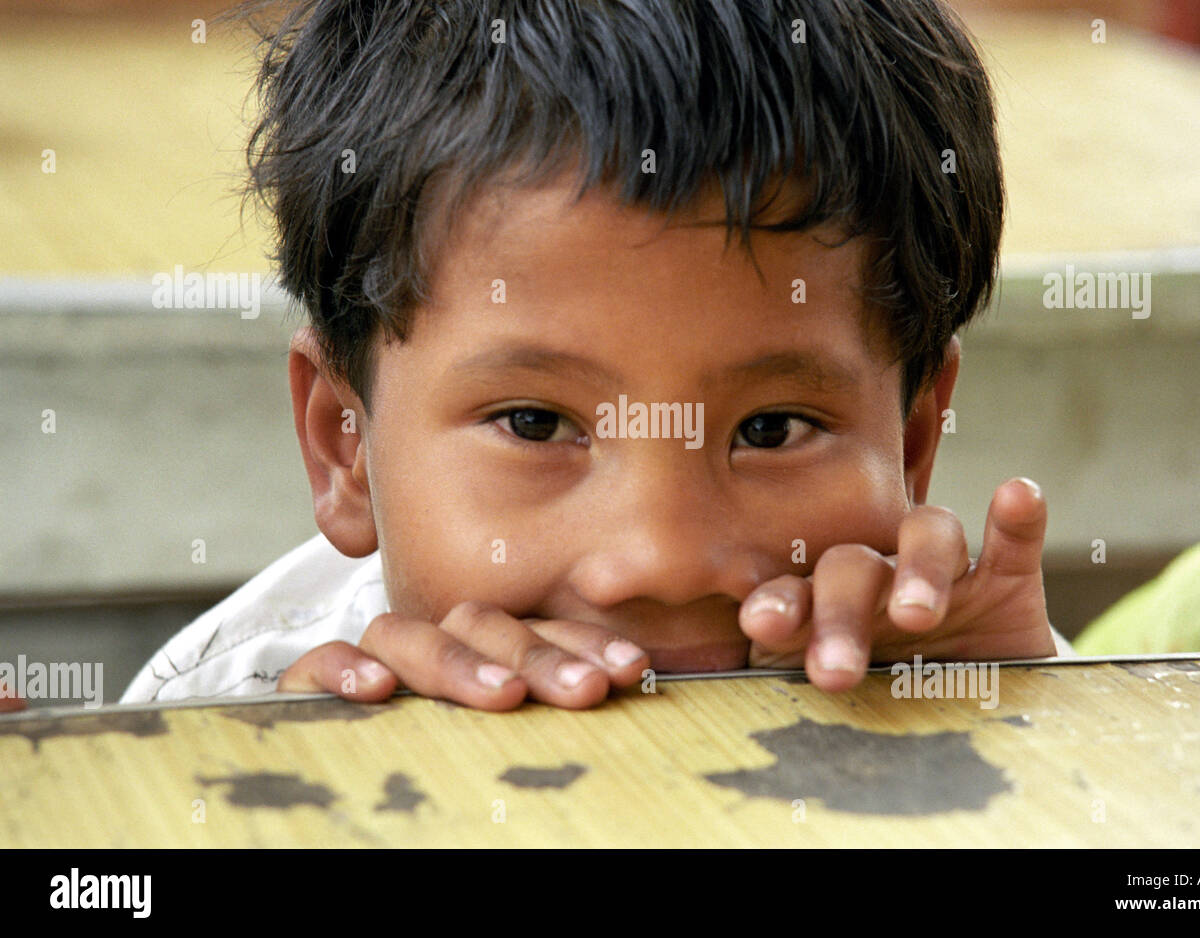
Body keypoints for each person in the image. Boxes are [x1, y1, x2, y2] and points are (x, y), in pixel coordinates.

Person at [120, 0, 1072, 711]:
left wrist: (1017, 724)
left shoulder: (941, 672)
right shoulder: (230, 719)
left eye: (771, 429)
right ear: (344, 445)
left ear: (909, 444)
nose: (659, 562)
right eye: (536, 423)